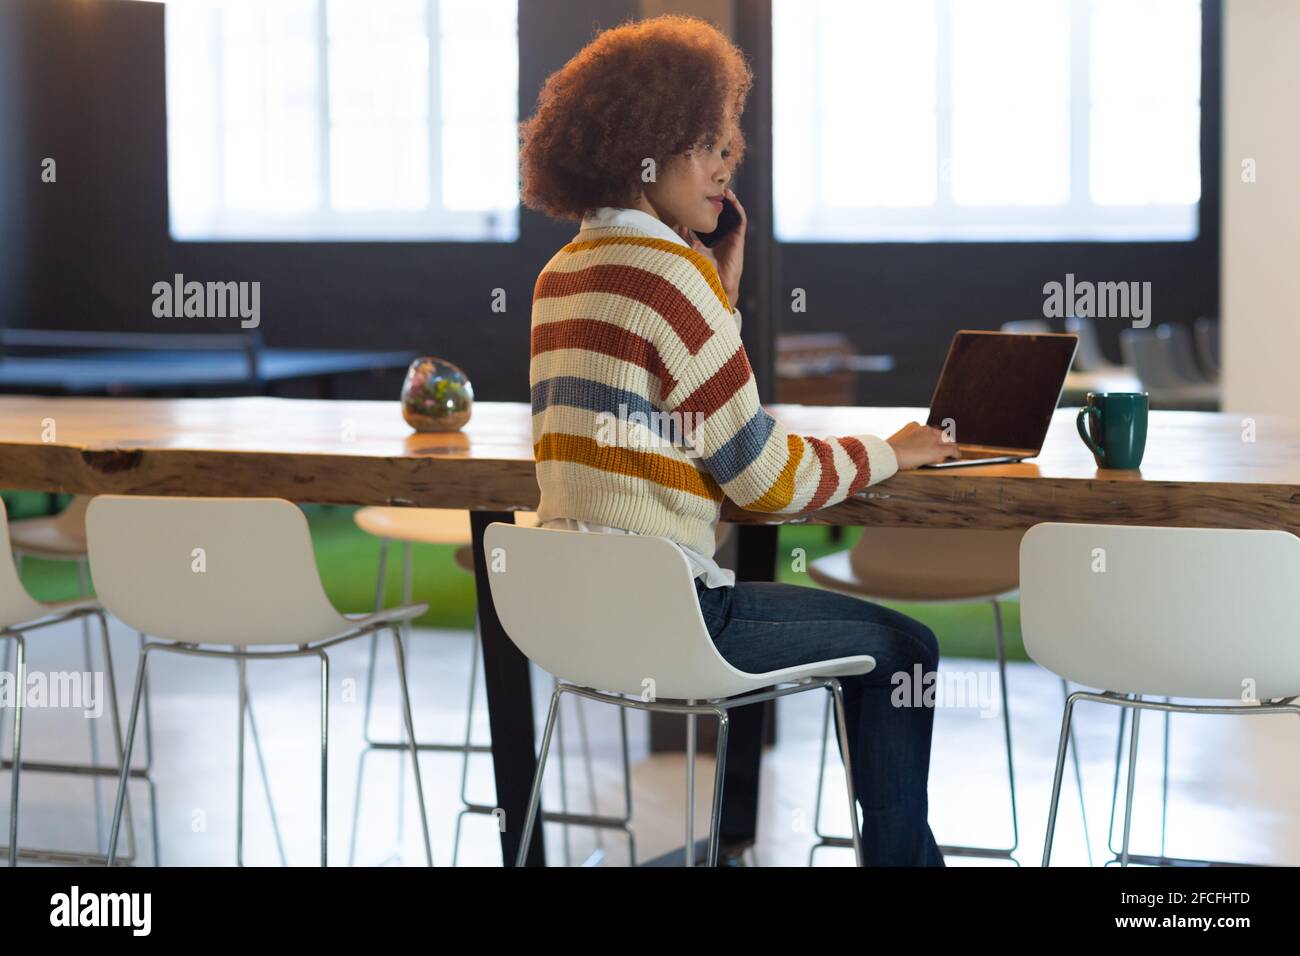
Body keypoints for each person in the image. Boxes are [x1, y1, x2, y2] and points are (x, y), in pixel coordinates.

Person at [518, 14, 959, 865]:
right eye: (709, 145)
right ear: (647, 144)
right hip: (679, 616)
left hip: (571, 619)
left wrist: (717, 291)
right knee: (907, 646)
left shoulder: (559, 274)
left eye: (732, 147)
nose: (728, 167)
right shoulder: (671, 278)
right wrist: (893, 451)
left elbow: (665, 416)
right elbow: (760, 476)